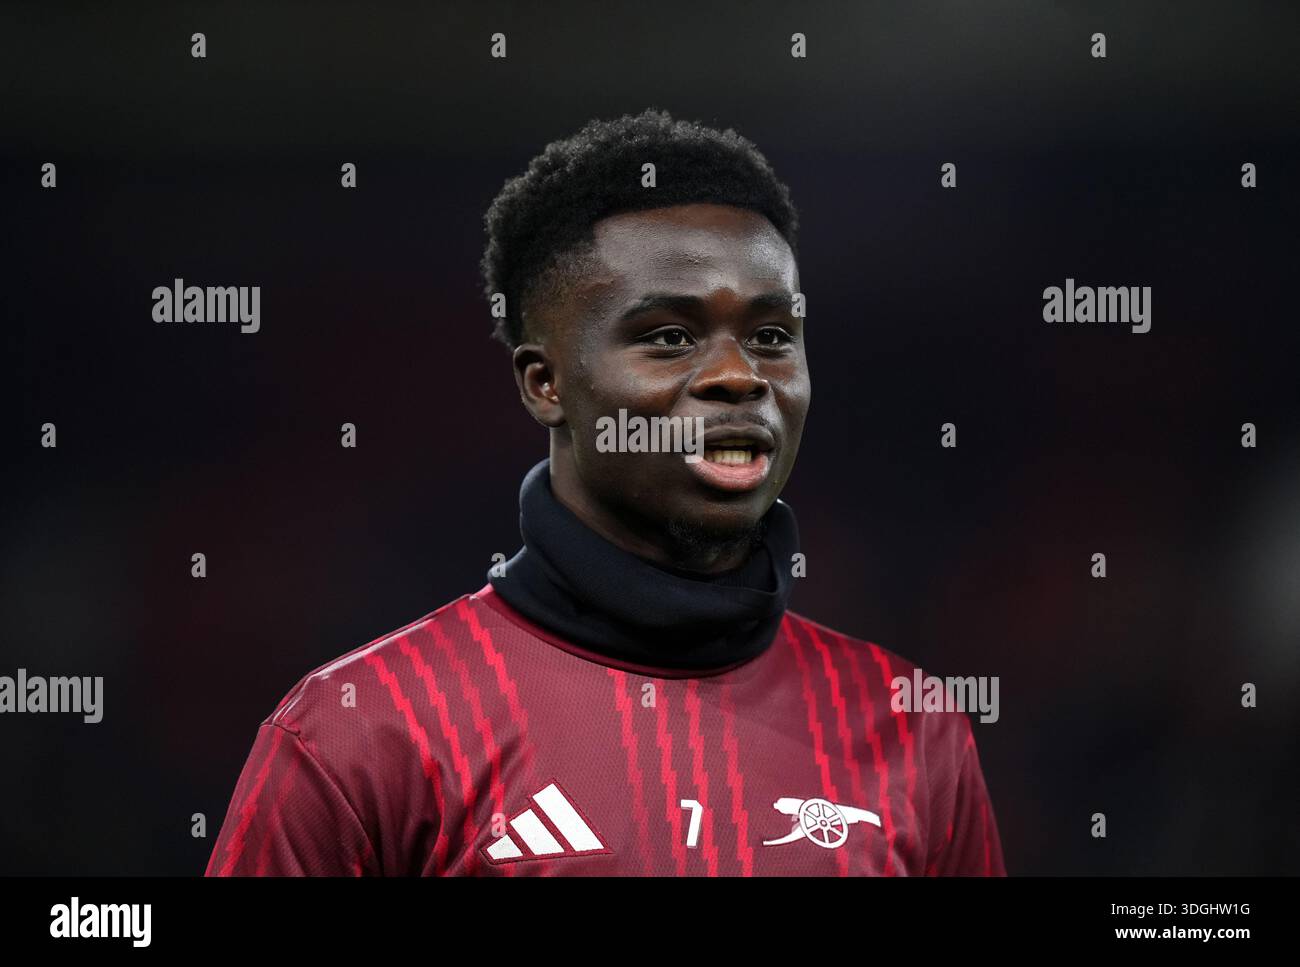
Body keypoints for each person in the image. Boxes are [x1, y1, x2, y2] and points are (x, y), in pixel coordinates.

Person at [206, 108, 1005, 876]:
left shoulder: (911, 723)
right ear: (545, 383)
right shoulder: (359, 727)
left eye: (770, 336)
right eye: (668, 337)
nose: (739, 376)